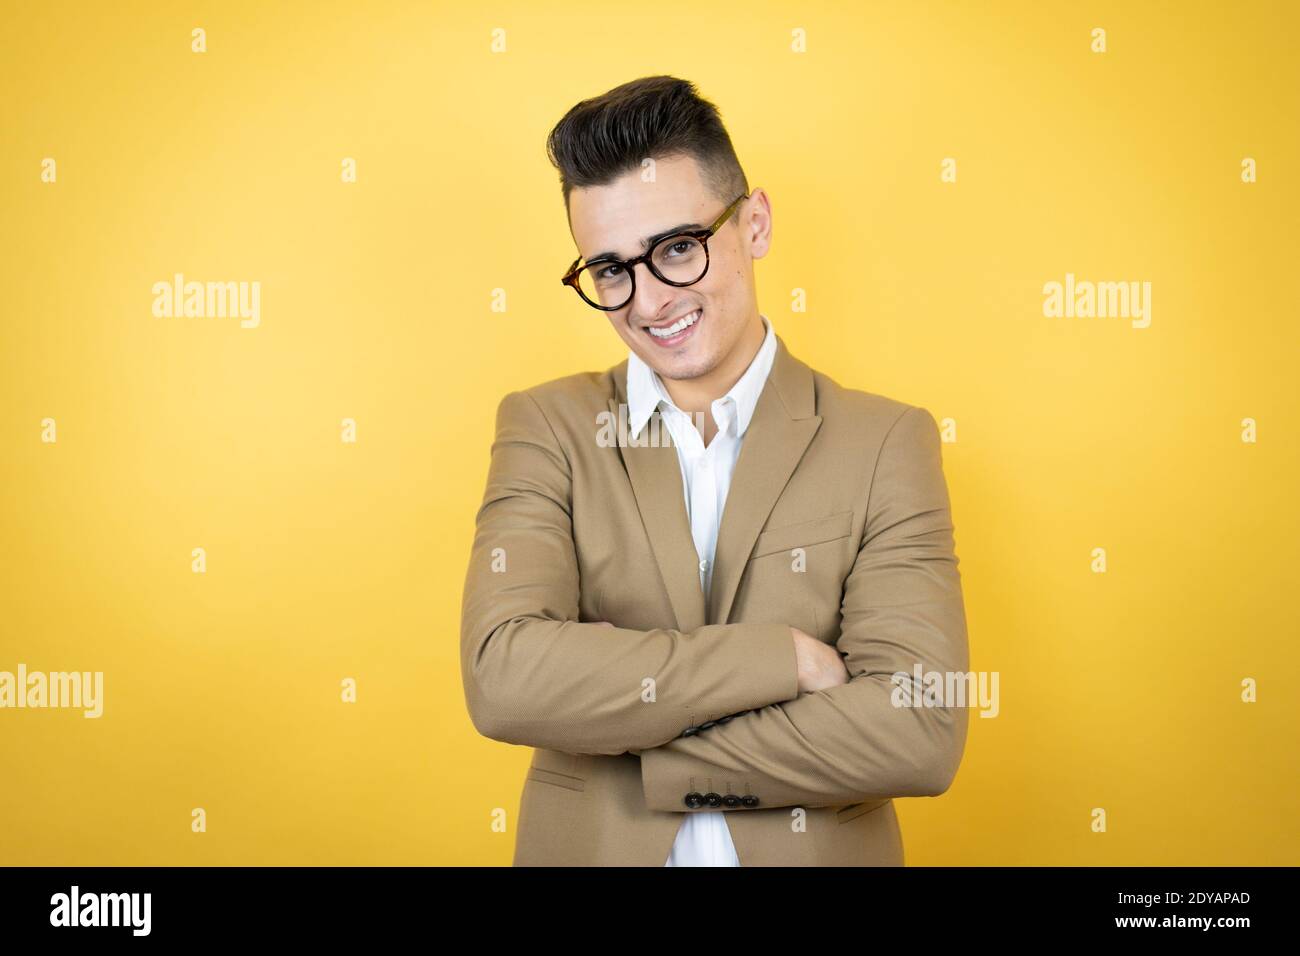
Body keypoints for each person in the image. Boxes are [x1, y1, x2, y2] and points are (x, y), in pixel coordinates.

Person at [460, 75, 970, 866]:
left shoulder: (884, 441)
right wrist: (783, 661)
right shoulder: (547, 428)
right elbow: (503, 675)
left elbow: (918, 726)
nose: (649, 301)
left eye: (676, 249)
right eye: (609, 270)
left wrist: (636, 743)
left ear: (754, 223)